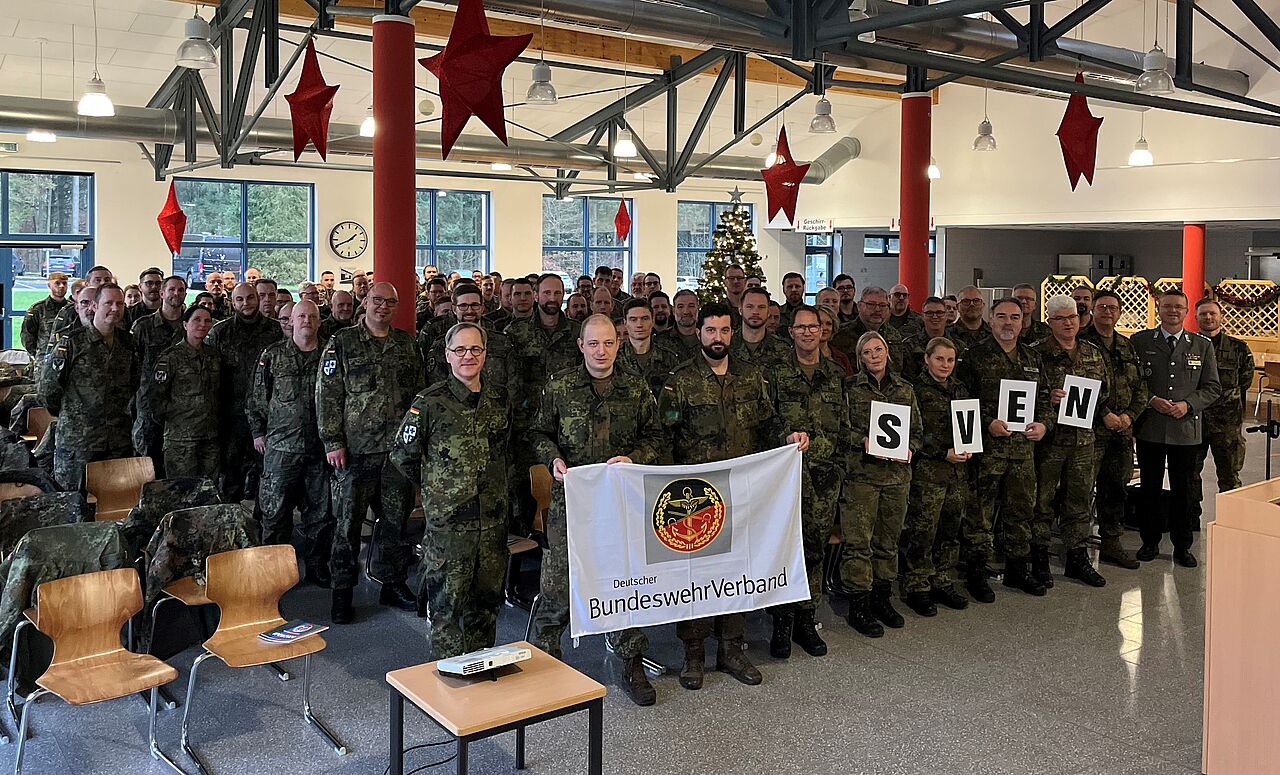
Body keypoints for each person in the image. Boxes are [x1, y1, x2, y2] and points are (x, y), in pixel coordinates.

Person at [658, 302, 808, 690]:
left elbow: (770, 421)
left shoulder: (750, 377)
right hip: (696, 497)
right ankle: (694, 653)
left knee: (738, 569)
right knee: (697, 574)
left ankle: (731, 648)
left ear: (732, 332)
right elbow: (664, 437)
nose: (718, 338)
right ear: (699, 333)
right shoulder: (681, 381)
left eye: (725, 330)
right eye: (711, 331)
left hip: (741, 491)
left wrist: (789, 435)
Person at [528, 314, 665, 704]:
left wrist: (635, 456)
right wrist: (552, 458)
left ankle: (628, 658)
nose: (601, 351)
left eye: (608, 343)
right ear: (581, 346)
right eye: (593, 344)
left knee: (623, 581)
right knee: (557, 585)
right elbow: (537, 432)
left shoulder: (635, 388)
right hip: (570, 503)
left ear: (617, 345)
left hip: (619, 504)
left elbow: (655, 437)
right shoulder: (560, 387)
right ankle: (543, 661)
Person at [318, 281, 425, 623]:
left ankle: (391, 584)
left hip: (397, 454)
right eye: (377, 300)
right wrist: (332, 440)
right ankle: (342, 591)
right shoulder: (343, 342)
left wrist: (417, 443)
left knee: (396, 524)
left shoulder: (406, 345)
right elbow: (327, 394)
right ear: (365, 302)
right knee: (347, 526)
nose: (382, 307)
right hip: (355, 453)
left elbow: (419, 399)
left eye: (390, 302)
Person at [955, 298, 1051, 600]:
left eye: (1015, 317)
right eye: (1001, 317)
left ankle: (1017, 570)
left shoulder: (1033, 358)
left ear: (1023, 321)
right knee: (980, 513)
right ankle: (977, 571)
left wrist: (1044, 424)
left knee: (1020, 510)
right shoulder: (974, 356)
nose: (1008, 323)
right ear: (991, 320)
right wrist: (987, 423)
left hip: (1022, 452)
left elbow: (1046, 398)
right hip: (987, 451)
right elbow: (961, 400)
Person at [766, 306, 847, 659]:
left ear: (822, 331)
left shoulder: (834, 373)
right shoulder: (776, 374)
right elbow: (765, 422)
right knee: (786, 550)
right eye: (800, 328)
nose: (808, 333)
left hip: (824, 477)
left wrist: (832, 459)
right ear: (791, 333)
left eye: (813, 327)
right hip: (785, 479)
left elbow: (844, 426)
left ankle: (806, 618)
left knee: (814, 550)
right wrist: (785, 437)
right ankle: (782, 621)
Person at [841, 331, 922, 637]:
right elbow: (840, 429)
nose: (873, 355)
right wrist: (861, 440)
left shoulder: (905, 389)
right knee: (858, 543)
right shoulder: (850, 388)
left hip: (897, 479)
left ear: (887, 352)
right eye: (866, 352)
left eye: (878, 349)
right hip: (862, 477)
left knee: (888, 541)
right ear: (859, 358)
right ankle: (858, 604)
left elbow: (917, 431)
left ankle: (882, 598)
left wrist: (911, 447)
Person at [1131, 291, 1221, 567]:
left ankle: (1183, 546)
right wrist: (1150, 399)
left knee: (1184, 491)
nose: (1172, 311)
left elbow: (1212, 387)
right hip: (1151, 428)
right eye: (1167, 306)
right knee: (1150, 487)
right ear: (1158, 309)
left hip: (1185, 430)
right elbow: (1132, 382)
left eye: (1178, 307)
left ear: (1186, 313)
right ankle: (1149, 542)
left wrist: (1188, 404)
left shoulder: (1201, 345)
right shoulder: (1140, 341)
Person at [251, 300, 333, 588]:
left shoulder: (331, 354)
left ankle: (316, 566)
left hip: (320, 448)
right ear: (290, 321)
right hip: (281, 448)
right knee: (275, 513)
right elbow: (258, 398)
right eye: (301, 316)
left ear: (319, 321)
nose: (306, 321)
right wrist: (258, 433)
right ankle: (273, 573)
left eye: (312, 316)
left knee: (321, 514)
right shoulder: (273, 356)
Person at [1031, 295, 1110, 589]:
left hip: (1082, 441)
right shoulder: (1036, 354)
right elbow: (1026, 395)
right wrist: (1048, 398)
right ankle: (1038, 555)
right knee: (1043, 501)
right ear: (1049, 322)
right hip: (1050, 442)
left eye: (1073, 317)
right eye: (1061, 319)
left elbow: (1103, 394)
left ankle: (1077, 557)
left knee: (1079, 500)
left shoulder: (1091, 353)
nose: (1068, 323)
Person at [39, 283, 139, 492]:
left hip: (117, 440)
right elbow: (48, 390)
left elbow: (135, 384)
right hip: (79, 442)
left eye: (119, 303)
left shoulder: (128, 343)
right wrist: (73, 414)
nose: (114, 308)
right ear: (94, 305)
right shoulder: (72, 343)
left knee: (116, 502)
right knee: (72, 505)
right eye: (108, 303)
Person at [902, 337, 972, 616]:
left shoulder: (960, 389)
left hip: (957, 473)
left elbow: (969, 424)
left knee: (950, 529)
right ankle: (917, 585)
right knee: (923, 530)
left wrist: (968, 447)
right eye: (939, 359)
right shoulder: (914, 390)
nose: (945, 365)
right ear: (927, 359)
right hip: (928, 472)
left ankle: (942, 580)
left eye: (950, 360)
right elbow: (914, 431)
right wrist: (942, 451)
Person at [1079, 290, 1147, 570]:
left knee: (1116, 487)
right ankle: (1078, 547)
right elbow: (1077, 386)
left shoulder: (1127, 346)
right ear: (1093, 310)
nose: (1108, 311)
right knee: (1081, 489)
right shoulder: (1081, 343)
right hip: (1090, 431)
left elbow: (1141, 386)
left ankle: (1111, 542)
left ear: (1119, 313)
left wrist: (1130, 416)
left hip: (1121, 432)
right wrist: (1103, 413)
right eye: (1102, 307)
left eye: (1113, 308)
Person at [205, 282, 282, 504]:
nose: (246, 303)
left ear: (257, 299)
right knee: (231, 477)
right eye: (240, 299)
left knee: (267, 476)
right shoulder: (220, 332)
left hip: (268, 416)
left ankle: (263, 529)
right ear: (233, 302)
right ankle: (232, 527)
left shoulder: (276, 330)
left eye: (250, 298)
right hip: (232, 417)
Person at [1191, 299, 1253, 526]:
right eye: (1203, 314)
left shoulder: (1238, 348)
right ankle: (1191, 520)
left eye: (1212, 314)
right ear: (1196, 317)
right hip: (1195, 422)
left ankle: (1231, 522)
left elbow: (1245, 380)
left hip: (1227, 426)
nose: (1208, 318)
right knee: (1190, 476)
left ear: (1221, 317)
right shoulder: (1190, 346)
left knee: (1229, 476)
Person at [146, 306, 220, 480]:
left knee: (209, 490)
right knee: (181, 490)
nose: (202, 324)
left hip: (210, 436)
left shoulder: (213, 356)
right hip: (181, 438)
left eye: (207, 321)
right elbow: (155, 397)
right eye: (197, 320)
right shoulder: (171, 357)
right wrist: (175, 420)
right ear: (185, 325)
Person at [130, 275, 187, 475]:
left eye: (180, 290)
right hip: (149, 408)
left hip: (182, 409)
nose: (176, 294)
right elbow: (131, 367)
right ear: (162, 293)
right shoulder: (142, 326)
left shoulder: (192, 325)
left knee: (178, 469)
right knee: (147, 467)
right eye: (171, 290)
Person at [829, 287, 907, 373]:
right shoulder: (841, 334)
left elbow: (898, 369)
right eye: (871, 304)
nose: (877, 309)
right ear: (859, 306)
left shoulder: (894, 334)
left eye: (882, 305)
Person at [616, 299, 682, 396]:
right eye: (633, 319)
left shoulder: (669, 358)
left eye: (645, 318)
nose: (639, 324)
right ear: (625, 323)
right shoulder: (614, 358)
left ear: (653, 321)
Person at [731, 288, 789, 368]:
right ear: (740, 310)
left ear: (768, 312)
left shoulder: (783, 349)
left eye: (761, 307)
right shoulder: (728, 346)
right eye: (749, 306)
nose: (755, 312)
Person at [21, 271, 69, 359]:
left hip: (68, 358)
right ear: (49, 286)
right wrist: (38, 355)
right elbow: (27, 337)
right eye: (57, 283)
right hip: (44, 359)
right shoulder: (38, 309)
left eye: (64, 283)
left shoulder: (72, 308)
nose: (61, 286)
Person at [901, 296, 950, 379]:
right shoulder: (908, 345)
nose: (935, 317)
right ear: (923, 316)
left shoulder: (957, 345)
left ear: (946, 315)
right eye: (929, 313)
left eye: (939, 313)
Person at [946, 287, 991, 352]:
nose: (972, 304)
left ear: (983, 305)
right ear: (958, 307)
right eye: (966, 301)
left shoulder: (994, 335)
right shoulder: (946, 334)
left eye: (976, 301)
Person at [660, 289, 701, 358]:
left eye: (691, 306)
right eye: (680, 307)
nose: (686, 312)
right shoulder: (660, 340)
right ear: (673, 311)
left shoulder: (708, 338)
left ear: (698, 308)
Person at [816, 307, 853, 376]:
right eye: (820, 323)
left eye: (828, 324)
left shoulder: (841, 358)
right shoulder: (800, 356)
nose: (824, 328)